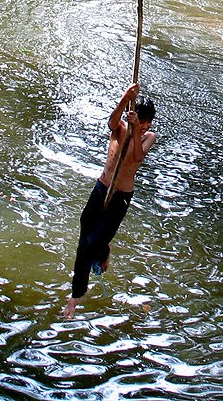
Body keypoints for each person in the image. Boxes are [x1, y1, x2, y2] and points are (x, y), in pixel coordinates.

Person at [63, 83, 156, 318]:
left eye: (147, 124)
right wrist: (126, 97)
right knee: (84, 242)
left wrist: (137, 130)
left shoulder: (148, 137)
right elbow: (112, 121)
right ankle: (75, 297)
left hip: (121, 197)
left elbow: (137, 156)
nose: (145, 128)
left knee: (94, 243)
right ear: (133, 116)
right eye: (142, 123)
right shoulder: (120, 128)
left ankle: (104, 249)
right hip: (102, 187)